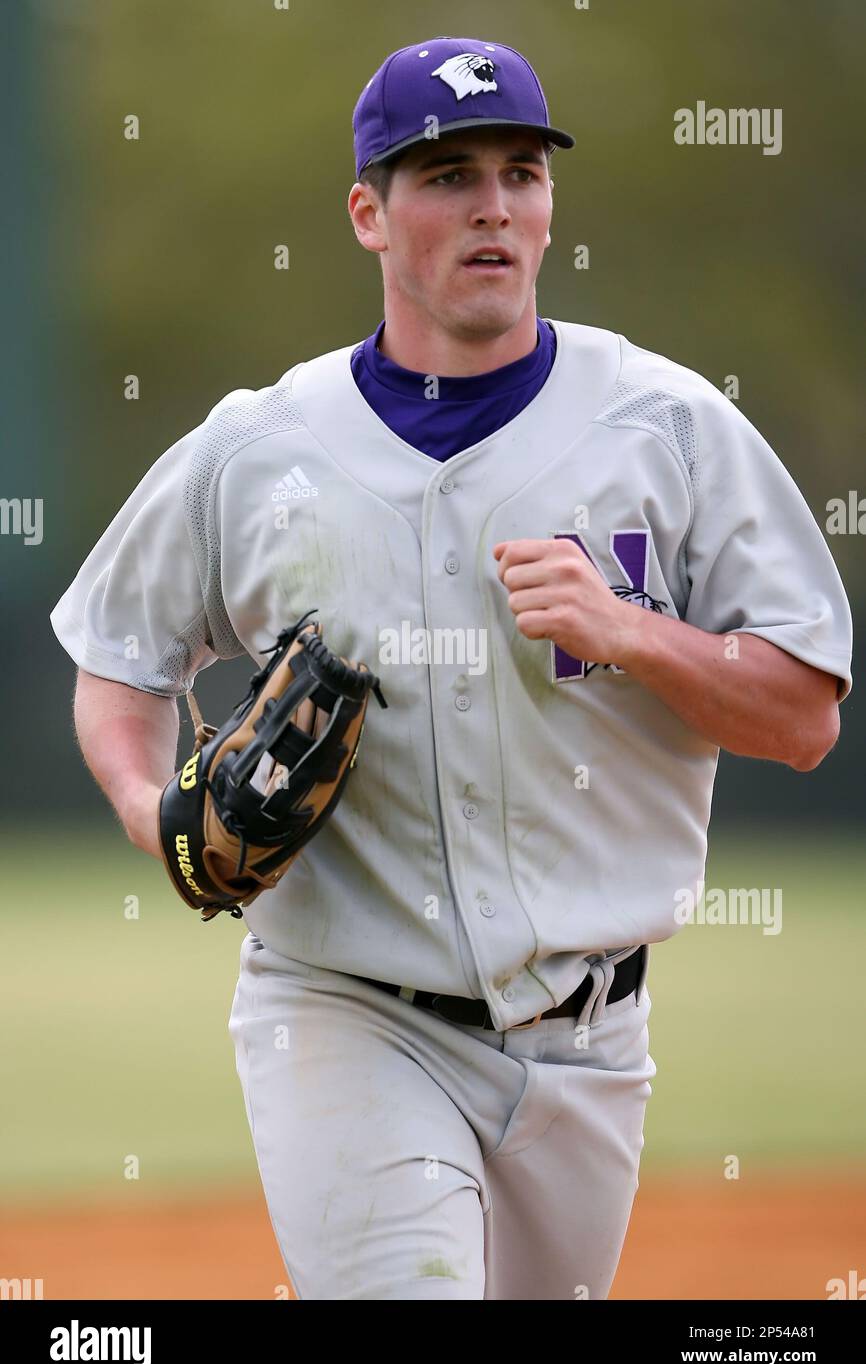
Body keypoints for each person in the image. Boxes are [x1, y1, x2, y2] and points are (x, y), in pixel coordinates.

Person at [51, 36, 852, 1300]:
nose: (491, 203)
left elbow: (803, 715)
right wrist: (158, 817)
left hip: (590, 1044)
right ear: (368, 212)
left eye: (519, 171)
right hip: (344, 1011)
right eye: (444, 173)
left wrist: (633, 629)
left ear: (547, 205)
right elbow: (118, 665)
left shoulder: (669, 427)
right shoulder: (257, 451)